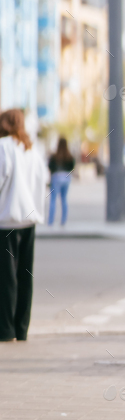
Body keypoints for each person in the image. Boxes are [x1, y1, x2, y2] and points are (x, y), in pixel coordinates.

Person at [0, 109, 46, 342]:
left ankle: (5, 330)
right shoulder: (31, 150)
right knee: (25, 275)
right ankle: (21, 328)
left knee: (6, 277)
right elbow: (41, 184)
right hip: (29, 220)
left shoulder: (4, 147)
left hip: (6, 221)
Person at [47, 137, 75, 226]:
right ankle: (63, 221)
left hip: (56, 177)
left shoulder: (54, 156)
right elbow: (72, 166)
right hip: (66, 177)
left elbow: (50, 166)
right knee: (64, 199)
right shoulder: (69, 156)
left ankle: (51, 221)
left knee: (53, 200)